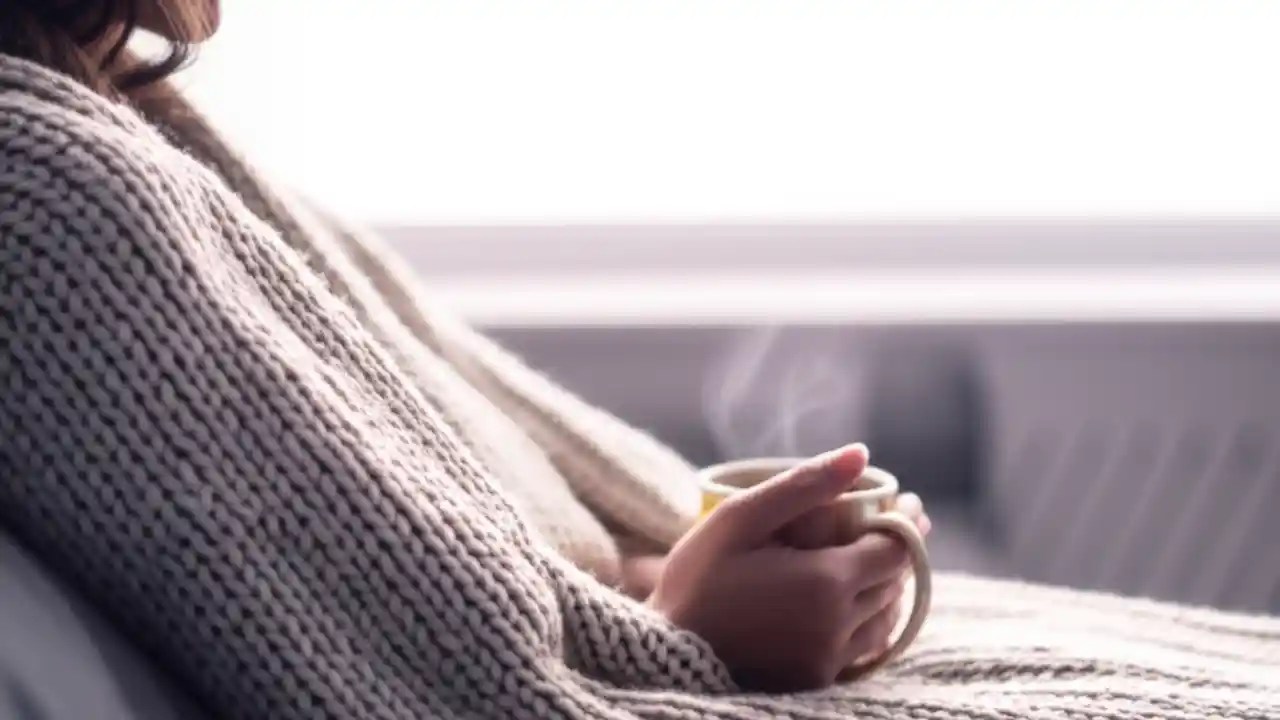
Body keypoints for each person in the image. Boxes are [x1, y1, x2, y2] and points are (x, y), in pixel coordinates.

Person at [3, 3, 1276, 720]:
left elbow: (410, 535)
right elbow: (447, 688)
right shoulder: (49, 197)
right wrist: (695, 637)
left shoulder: (116, 107)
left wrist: (673, 566)